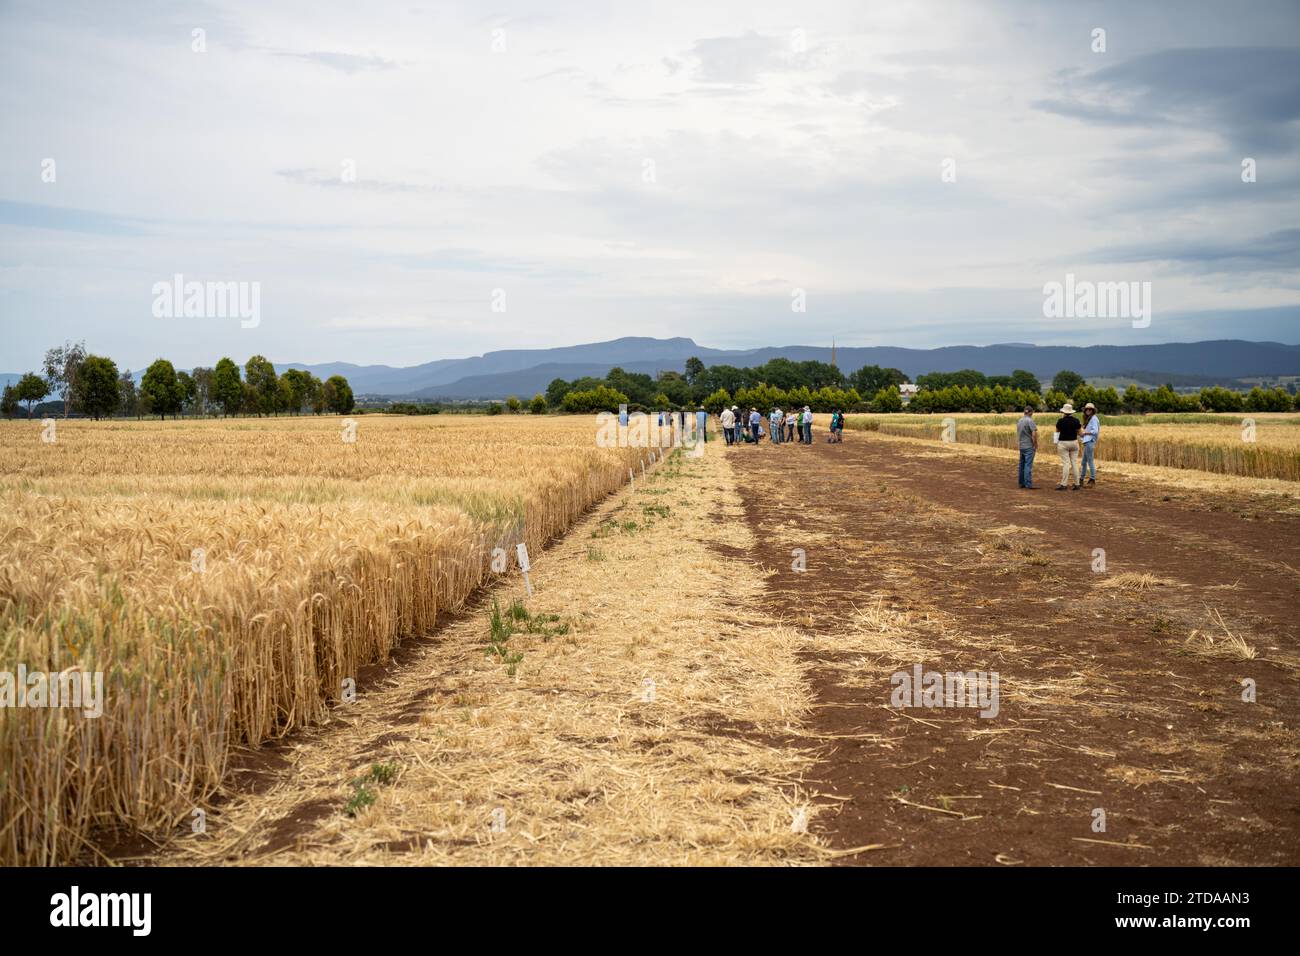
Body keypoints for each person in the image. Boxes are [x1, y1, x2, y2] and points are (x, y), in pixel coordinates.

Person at [1054, 402, 1082, 490]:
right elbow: (1080, 432)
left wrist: (1055, 442)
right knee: (1074, 463)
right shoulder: (1076, 420)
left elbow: (1057, 431)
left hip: (1063, 443)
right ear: (1071, 412)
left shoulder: (1060, 421)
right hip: (1074, 442)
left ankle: (1064, 484)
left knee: (1066, 463)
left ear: (1063, 412)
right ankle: (1077, 484)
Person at [1016, 405, 1038, 489]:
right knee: (1028, 465)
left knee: (1021, 464)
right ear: (1031, 412)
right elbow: (1033, 434)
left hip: (1021, 445)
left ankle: (1021, 483)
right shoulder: (1030, 421)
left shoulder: (1019, 421)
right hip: (1029, 445)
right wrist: (1035, 444)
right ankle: (1028, 484)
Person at [1079, 402, 1099, 486]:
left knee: (1090, 461)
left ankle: (1092, 479)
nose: (1088, 410)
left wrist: (1085, 433)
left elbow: (1095, 431)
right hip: (1087, 442)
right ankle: (1081, 479)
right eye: (1087, 409)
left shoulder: (1094, 419)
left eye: (1090, 409)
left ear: (1092, 410)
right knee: (1083, 462)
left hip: (1090, 442)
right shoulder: (1090, 419)